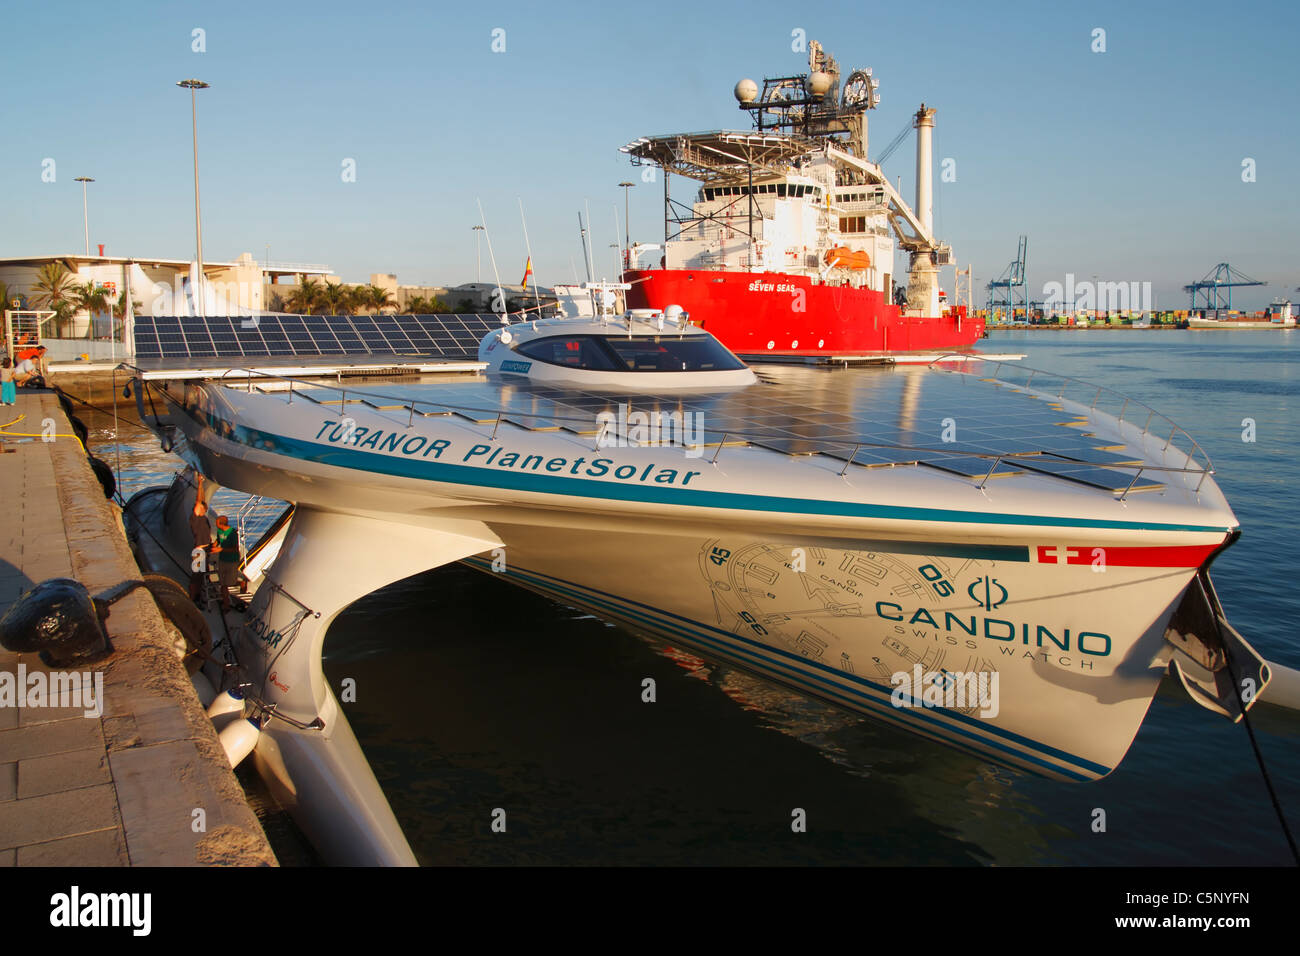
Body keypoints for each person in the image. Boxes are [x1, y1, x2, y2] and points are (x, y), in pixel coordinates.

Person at [212, 515, 241, 612]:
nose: (215, 524)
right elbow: (218, 540)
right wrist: (213, 546)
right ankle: (226, 604)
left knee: (228, 584)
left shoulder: (232, 533)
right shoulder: (219, 531)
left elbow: (235, 549)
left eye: (217, 522)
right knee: (223, 584)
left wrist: (221, 549)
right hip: (222, 560)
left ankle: (241, 583)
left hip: (232, 560)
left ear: (221, 523)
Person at [189, 491, 213, 605]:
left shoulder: (204, 518)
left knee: (202, 574)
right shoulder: (195, 519)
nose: (204, 510)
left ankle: (199, 595)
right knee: (197, 575)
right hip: (199, 551)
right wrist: (199, 484)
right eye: (203, 508)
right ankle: (193, 598)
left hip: (206, 549)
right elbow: (198, 501)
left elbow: (202, 502)